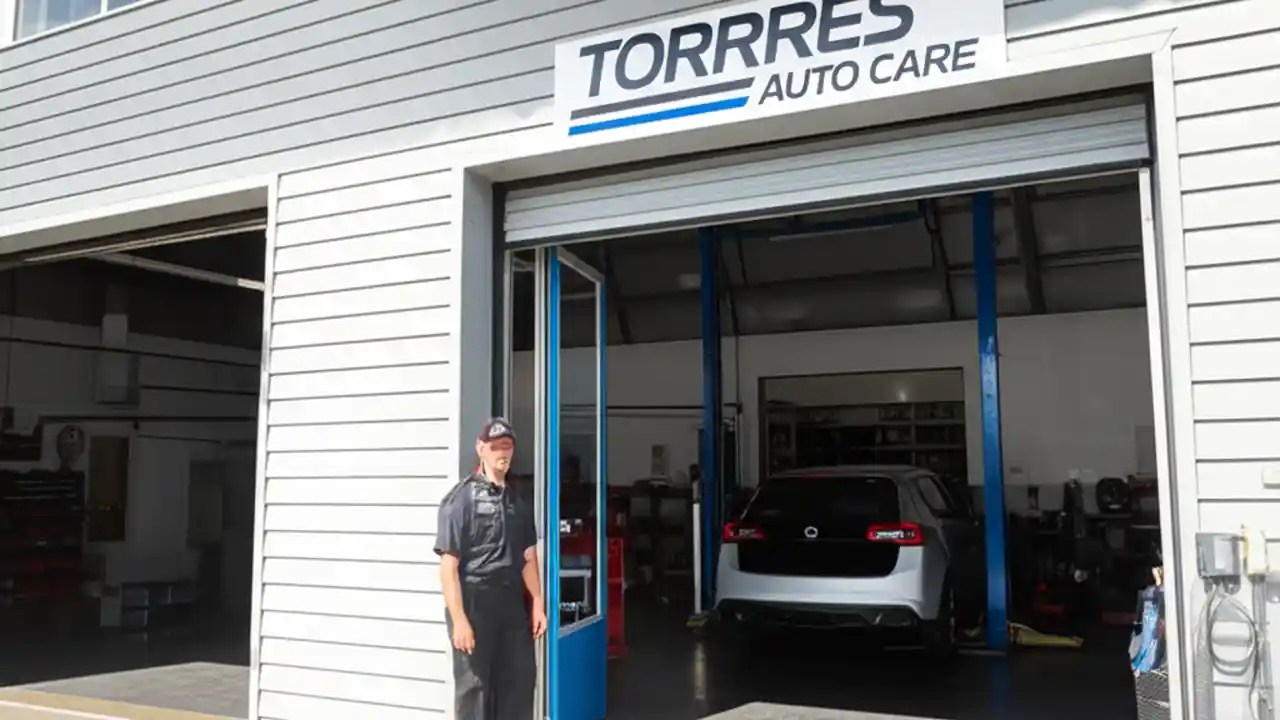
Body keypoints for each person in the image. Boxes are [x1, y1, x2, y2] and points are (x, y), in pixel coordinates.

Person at [435, 418, 547, 720]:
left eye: (507, 446)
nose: (502, 453)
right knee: (475, 689)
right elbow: (448, 567)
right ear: (480, 448)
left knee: (519, 683)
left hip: (511, 607)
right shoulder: (459, 501)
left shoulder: (517, 502)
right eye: (495, 446)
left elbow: (527, 557)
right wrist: (459, 619)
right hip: (475, 604)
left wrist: (537, 603)